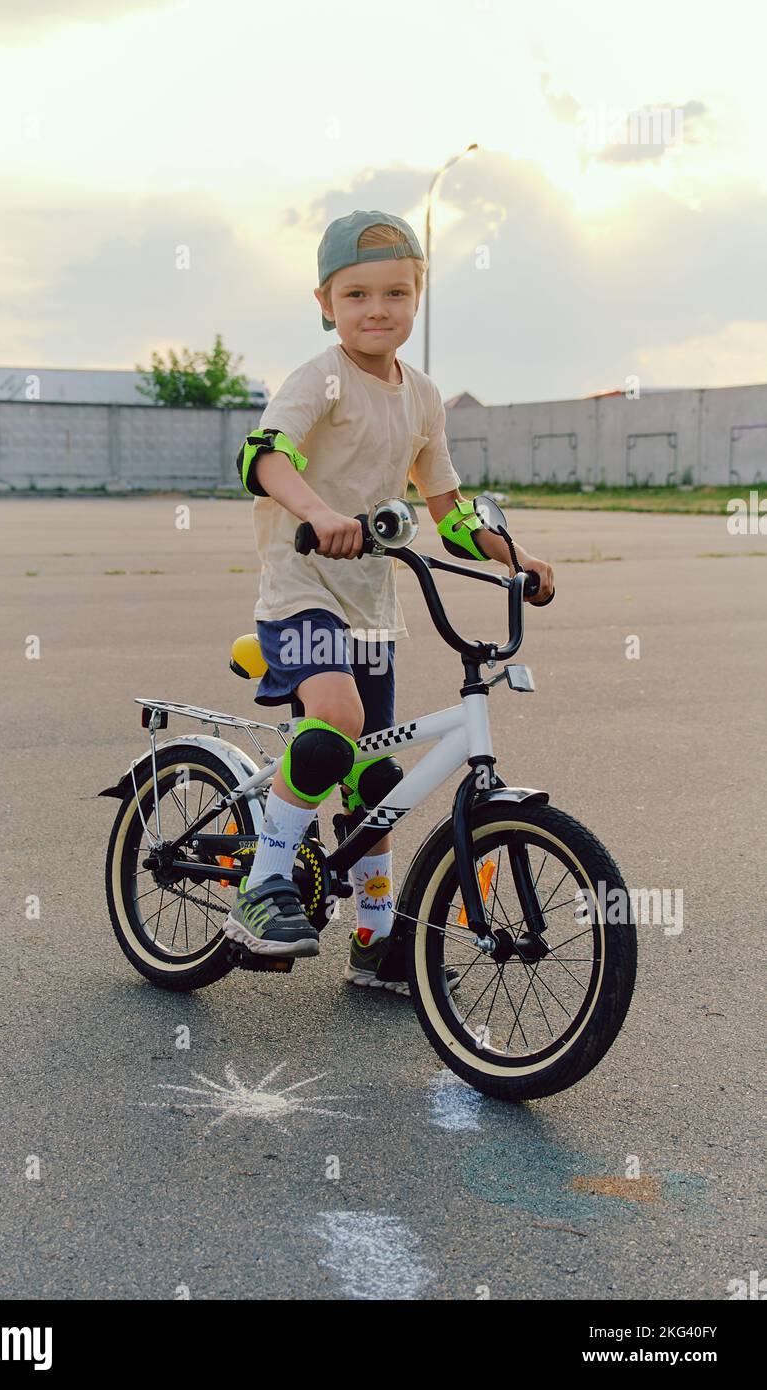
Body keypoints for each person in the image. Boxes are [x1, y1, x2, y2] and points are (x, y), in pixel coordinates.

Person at [224, 209, 554, 991]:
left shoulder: (424, 397)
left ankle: (374, 938)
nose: (378, 310)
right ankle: (262, 887)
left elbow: (448, 510)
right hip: (303, 588)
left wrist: (515, 557)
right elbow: (262, 457)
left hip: (369, 605)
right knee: (337, 720)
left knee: (374, 777)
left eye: (396, 293)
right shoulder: (320, 379)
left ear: (418, 298)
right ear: (325, 302)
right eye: (357, 294)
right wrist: (318, 513)